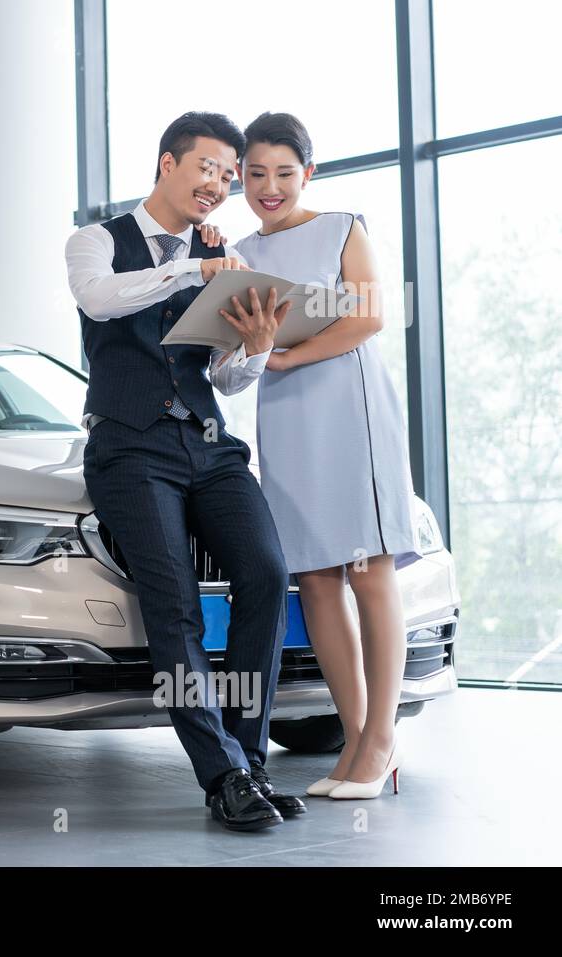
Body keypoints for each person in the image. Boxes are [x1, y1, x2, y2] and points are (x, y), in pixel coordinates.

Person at [66, 111, 306, 831]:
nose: (221, 185)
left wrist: (256, 346)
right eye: (211, 169)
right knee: (173, 606)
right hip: (130, 446)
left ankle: (248, 761)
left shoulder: (220, 252)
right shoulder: (95, 241)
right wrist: (191, 268)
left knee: (265, 572)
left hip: (208, 442)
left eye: (229, 177)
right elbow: (99, 300)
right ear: (168, 163)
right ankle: (221, 772)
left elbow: (226, 380)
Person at [219, 111, 416, 800]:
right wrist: (259, 351)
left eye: (283, 172)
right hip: (285, 416)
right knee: (318, 577)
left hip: (347, 405)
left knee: (368, 568)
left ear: (309, 172)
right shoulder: (238, 253)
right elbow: (230, 348)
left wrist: (289, 351)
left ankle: (382, 738)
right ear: (239, 176)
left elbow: (368, 315)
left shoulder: (342, 227)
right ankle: (360, 739)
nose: (269, 186)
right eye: (255, 174)